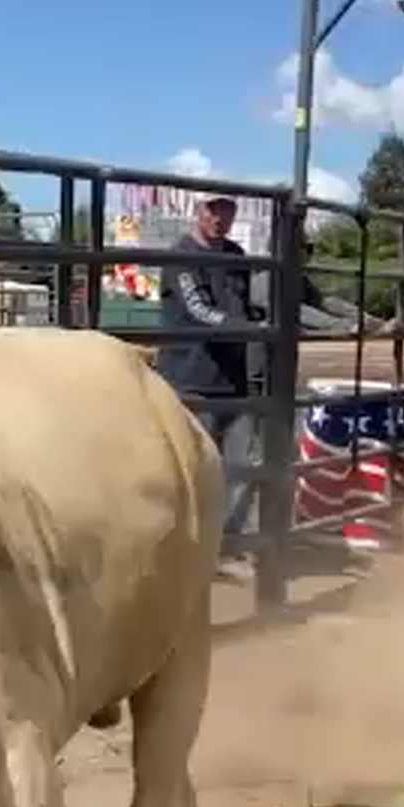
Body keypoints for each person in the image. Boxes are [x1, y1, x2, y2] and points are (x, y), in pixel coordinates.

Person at [158, 195, 261, 546]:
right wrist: (249, 329)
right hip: (191, 379)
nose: (220, 217)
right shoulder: (182, 256)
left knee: (241, 465)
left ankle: (227, 544)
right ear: (198, 212)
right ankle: (191, 546)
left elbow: (247, 305)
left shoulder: (236, 257)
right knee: (194, 469)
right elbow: (197, 309)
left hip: (233, 380)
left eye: (227, 211)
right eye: (212, 210)